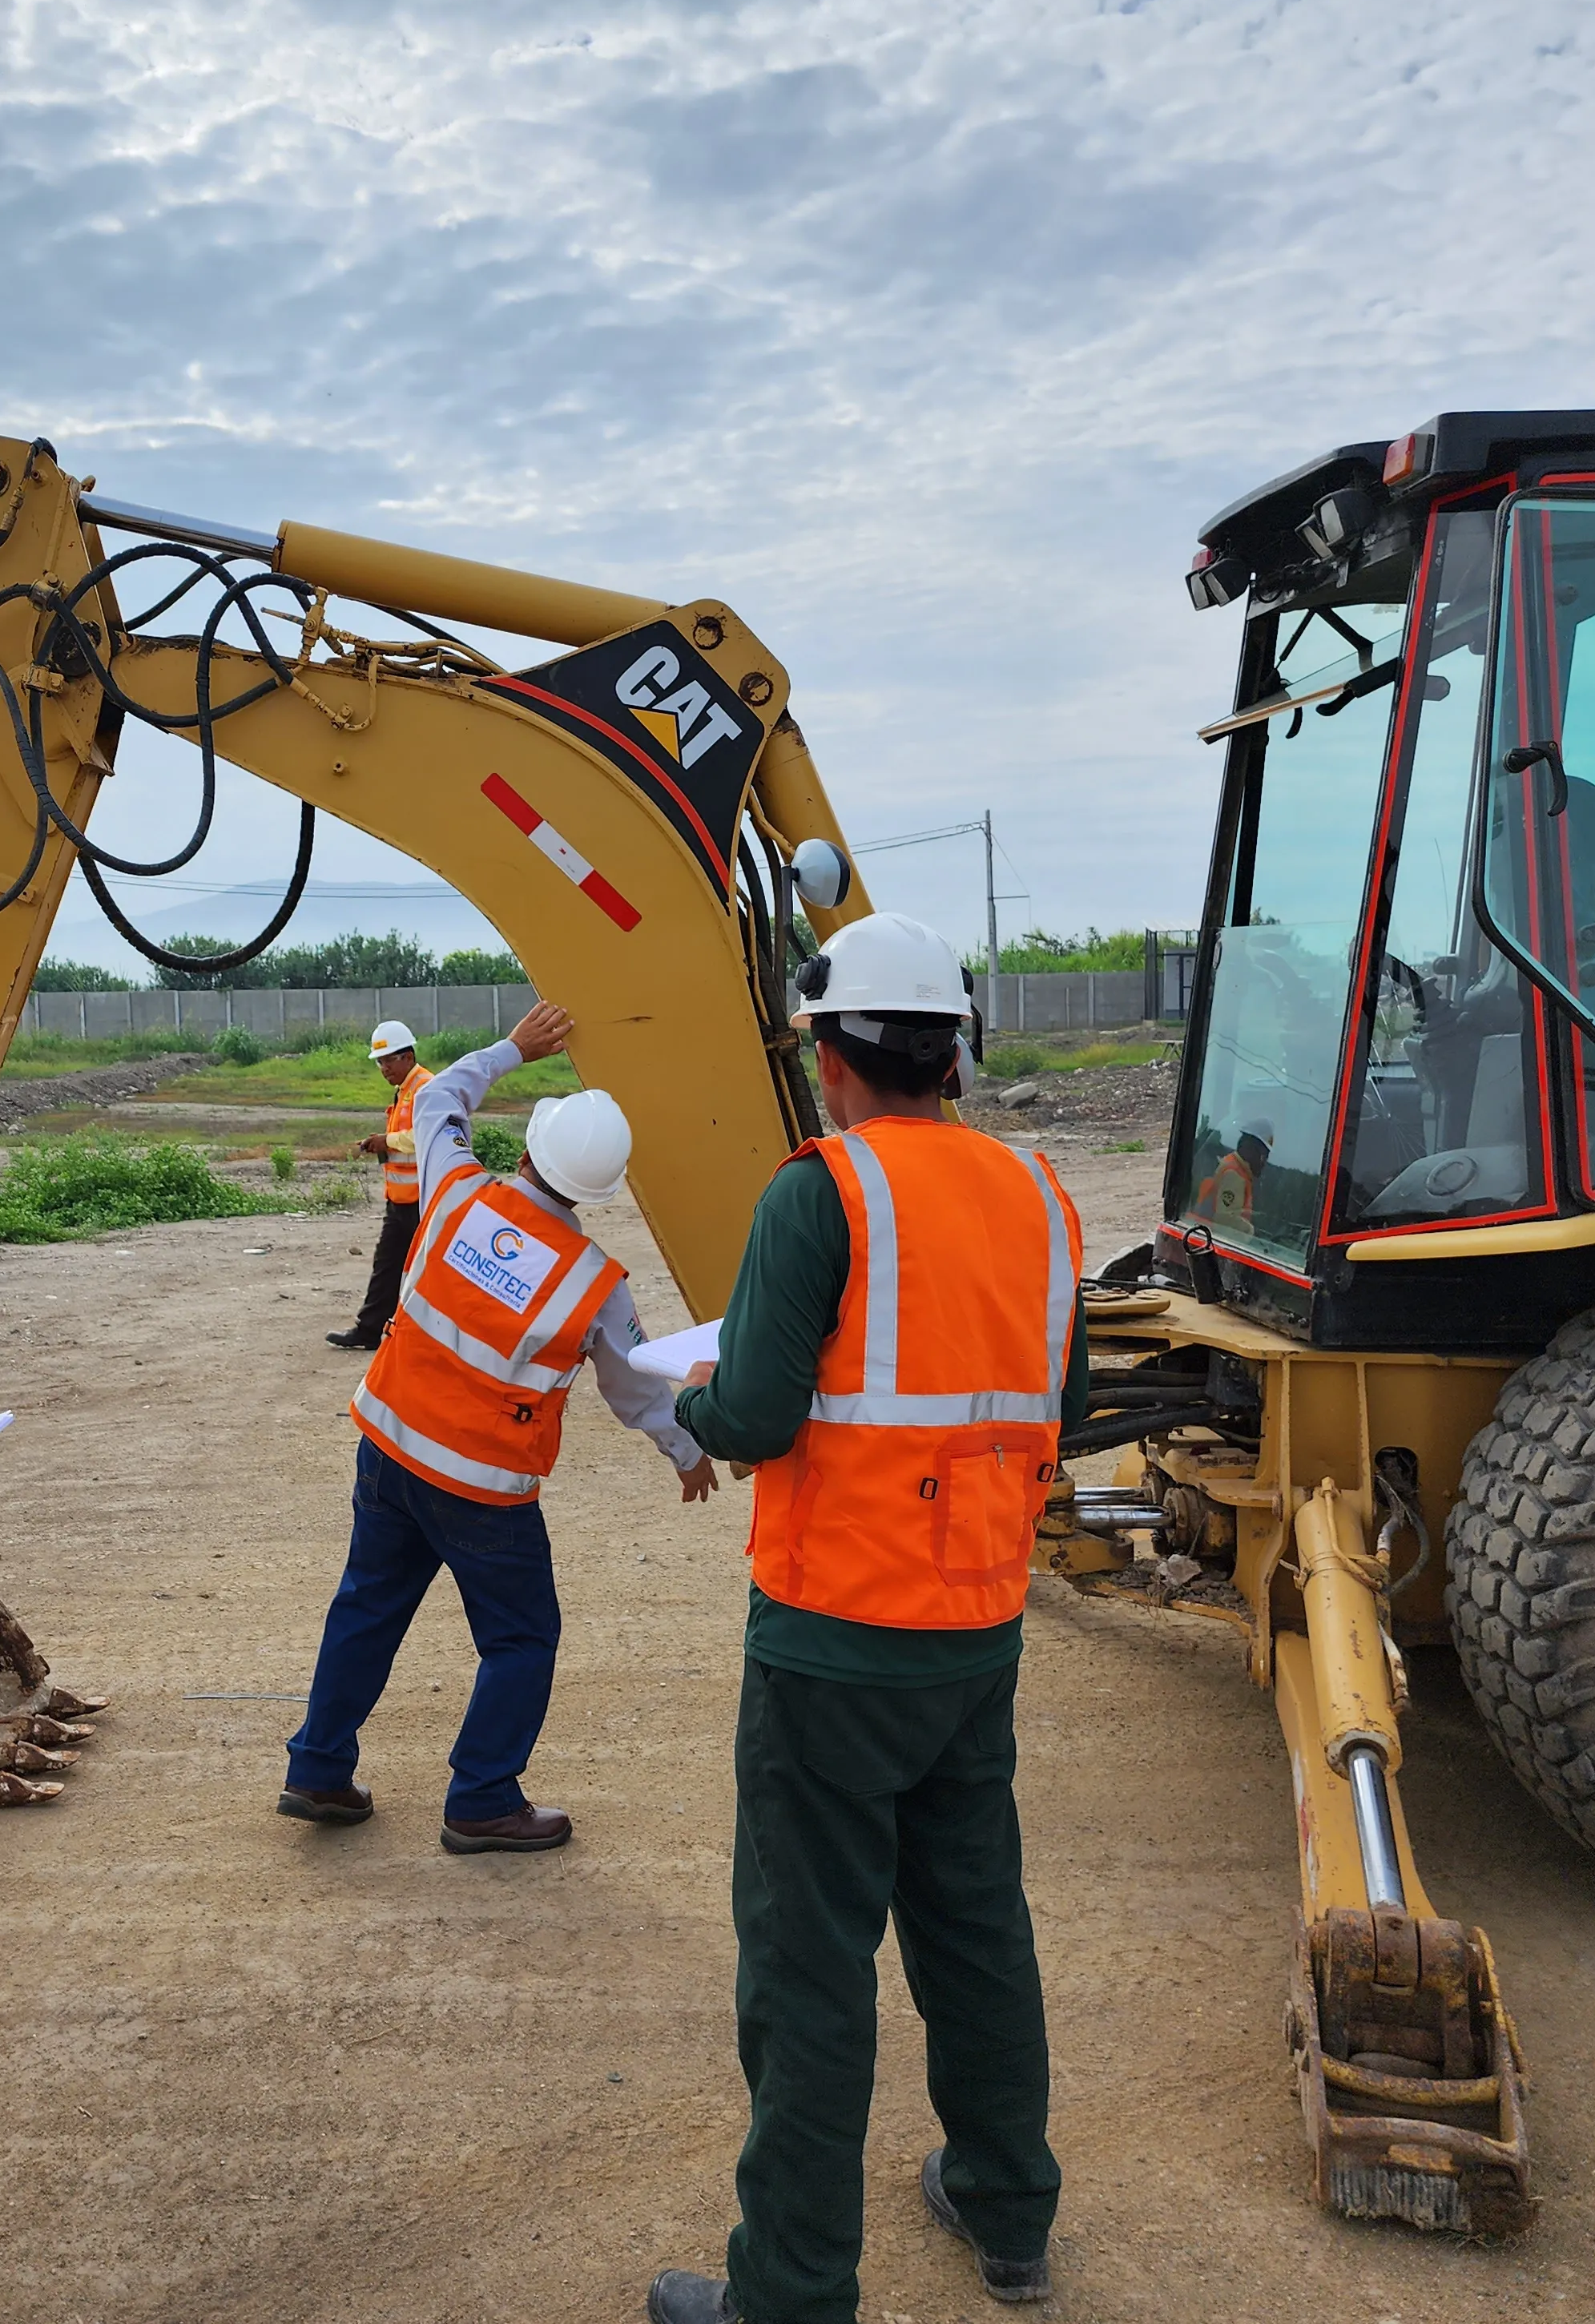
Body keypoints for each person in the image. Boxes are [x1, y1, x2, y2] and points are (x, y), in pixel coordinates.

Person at [644, 912, 1086, 2323]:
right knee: (972, 1920)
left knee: (808, 1961)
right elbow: (1041, 1413)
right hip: (978, 1629)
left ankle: (787, 2291)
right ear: (953, 1054)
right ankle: (1008, 2206)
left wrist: (691, 1406)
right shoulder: (1043, 1200)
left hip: (834, 1635)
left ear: (830, 1057)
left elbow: (761, 1412)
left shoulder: (818, 1193)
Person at [282, 997, 717, 1853]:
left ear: (527, 1150)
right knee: (521, 1638)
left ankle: (318, 1769)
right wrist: (688, 1450)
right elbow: (636, 1389)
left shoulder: (454, 1192)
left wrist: (511, 1049)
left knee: (366, 1609)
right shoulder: (596, 1282)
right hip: (482, 1487)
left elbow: (439, 1100)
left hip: (389, 1446)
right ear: (601, 1190)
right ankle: (481, 1796)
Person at [326, 1018, 432, 1351]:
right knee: (386, 1267)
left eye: (389, 1060)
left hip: (422, 1201)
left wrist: (387, 1141)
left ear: (408, 1056)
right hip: (400, 1200)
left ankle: (430, 1338)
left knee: (428, 1273)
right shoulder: (405, 1091)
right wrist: (382, 1143)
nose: (384, 1068)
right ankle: (369, 1330)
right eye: (380, 1063)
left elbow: (426, 1137)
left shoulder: (427, 1088)